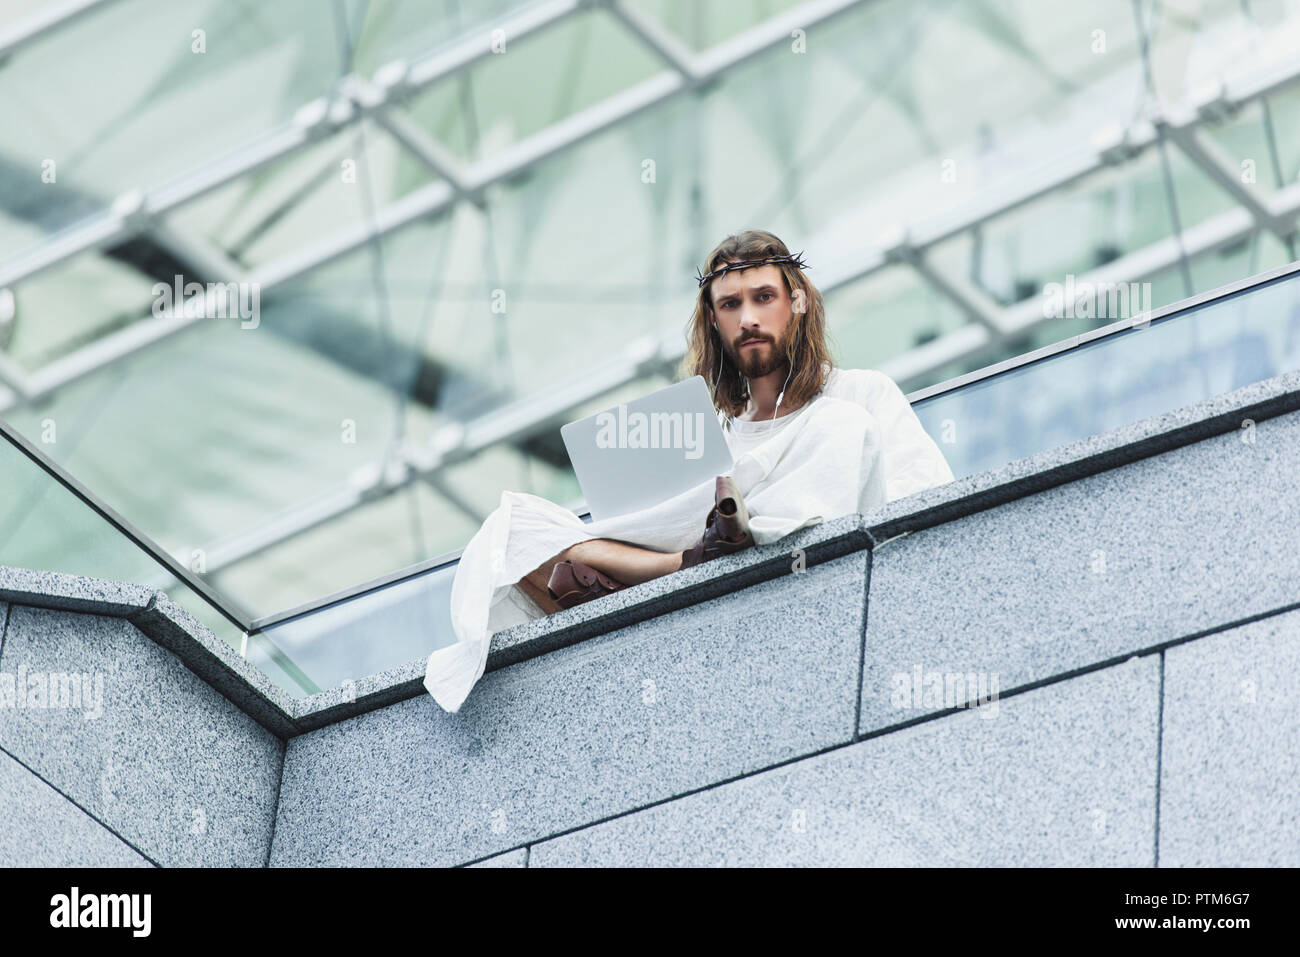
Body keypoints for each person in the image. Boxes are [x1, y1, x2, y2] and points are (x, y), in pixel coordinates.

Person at [423, 229, 954, 713]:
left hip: (805, 581)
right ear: (715, 322)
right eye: (730, 305)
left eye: (763, 298)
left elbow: (923, 501)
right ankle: (695, 561)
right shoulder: (707, 435)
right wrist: (690, 553)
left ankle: (720, 551)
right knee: (512, 527)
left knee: (842, 424)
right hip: (697, 584)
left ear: (798, 304)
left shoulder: (858, 395)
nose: (748, 318)